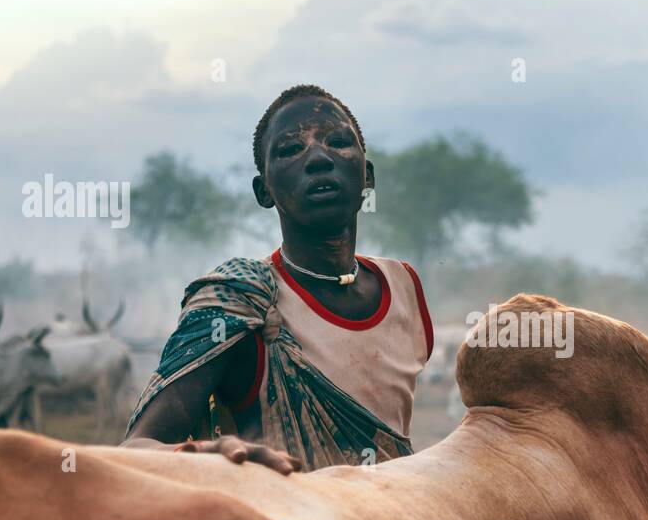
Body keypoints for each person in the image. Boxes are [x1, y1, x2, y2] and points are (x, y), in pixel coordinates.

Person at [122, 85, 433, 475]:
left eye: (337, 142)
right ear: (263, 190)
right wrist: (209, 454)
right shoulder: (239, 304)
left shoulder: (403, 286)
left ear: (367, 175)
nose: (319, 158)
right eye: (289, 150)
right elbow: (136, 449)